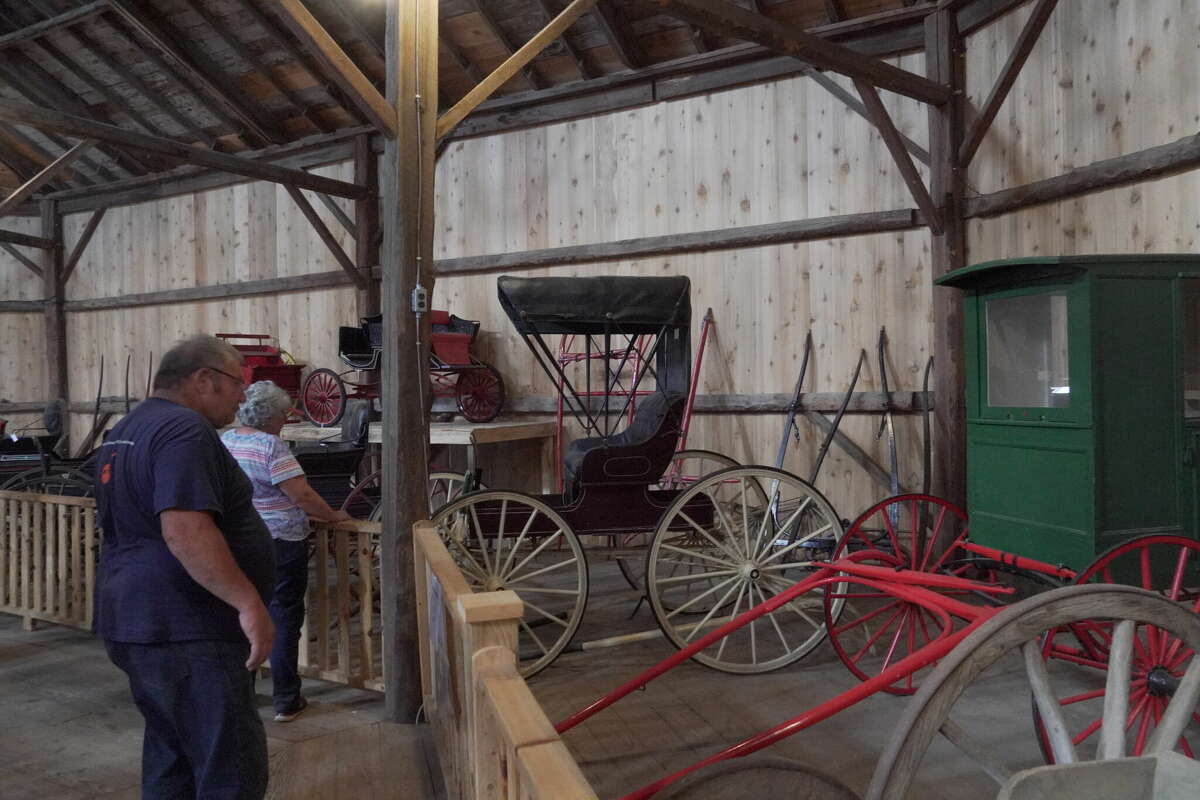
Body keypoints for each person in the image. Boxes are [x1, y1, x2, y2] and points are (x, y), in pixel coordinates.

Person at [94, 335, 275, 800]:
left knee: (171, 754)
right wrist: (247, 601)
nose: (243, 395)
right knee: (228, 767)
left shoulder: (127, 429)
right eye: (239, 382)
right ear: (203, 380)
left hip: (137, 620)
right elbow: (185, 530)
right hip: (189, 629)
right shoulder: (185, 430)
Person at [220, 381, 350, 723]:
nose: (285, 419)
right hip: (280, 540)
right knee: (284, 619)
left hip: (239, 539)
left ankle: (242, 692)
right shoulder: (270, 446)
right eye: (283, 413)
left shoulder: (226, 441)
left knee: (243, 614)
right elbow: (302, 496)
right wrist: (334, 515)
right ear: (269, 415)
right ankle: (286, 700)